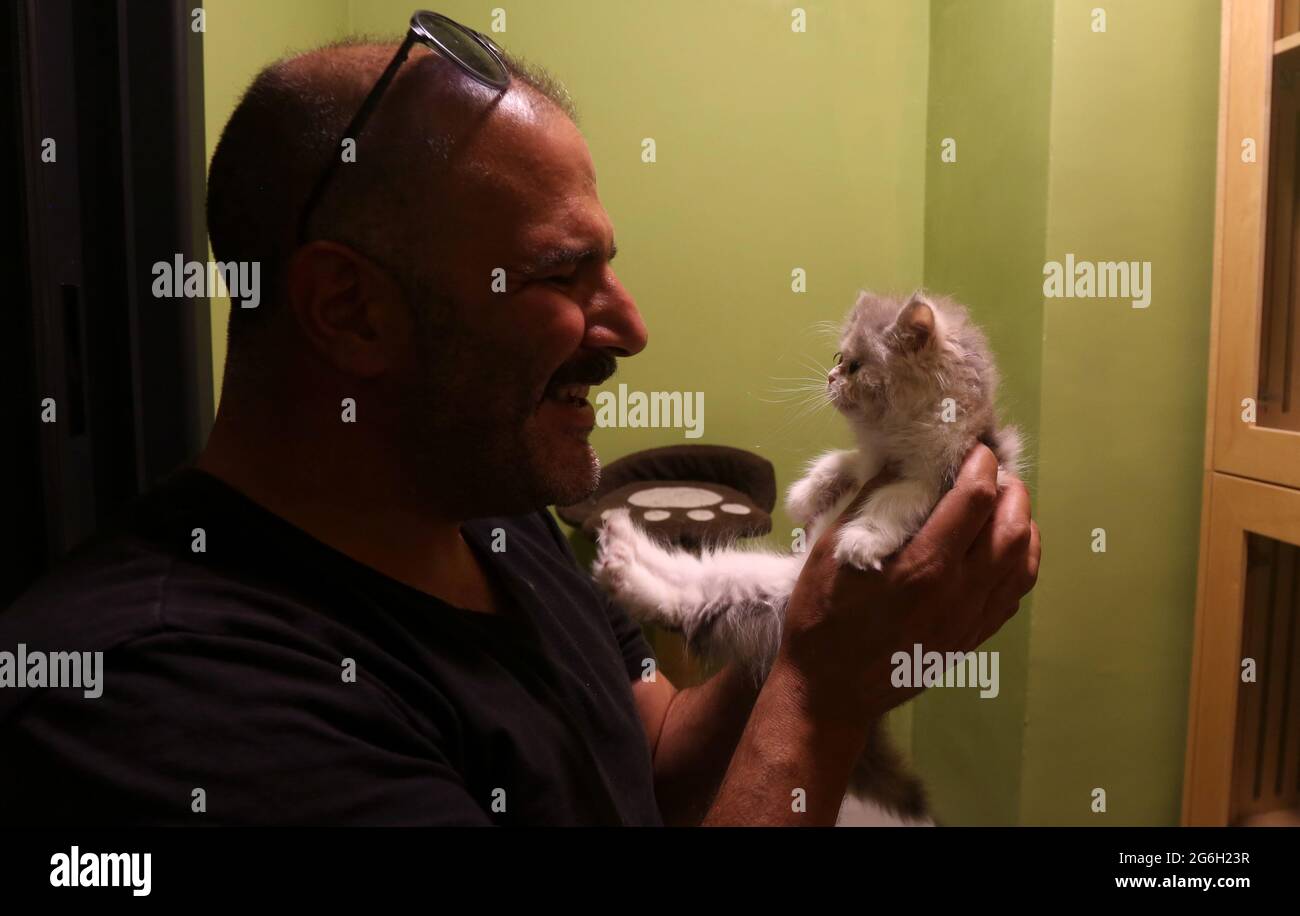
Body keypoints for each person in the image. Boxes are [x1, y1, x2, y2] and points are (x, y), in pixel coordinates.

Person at [0, 33, 1039, 826]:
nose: (632, 325)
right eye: (560, 273)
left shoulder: (488, 509)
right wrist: (821, 695)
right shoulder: (169, 699)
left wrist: (838, 636)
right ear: (351, 310)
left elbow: (659, 757)